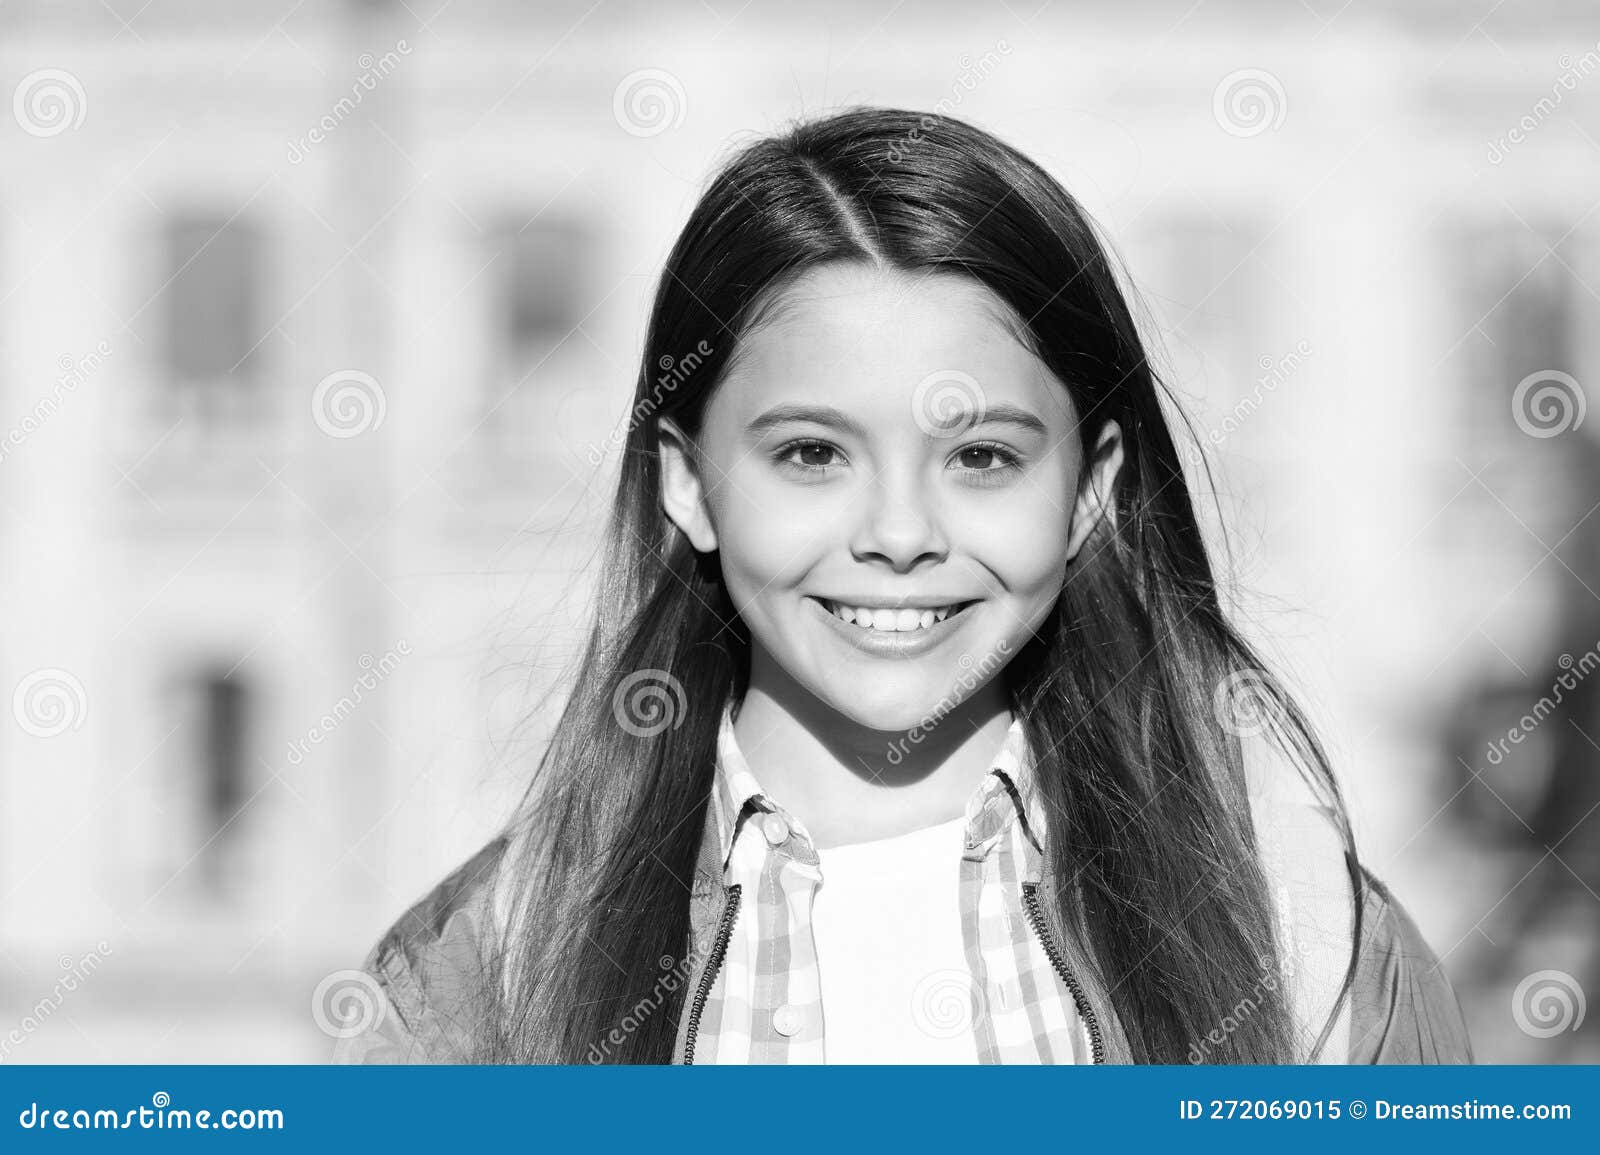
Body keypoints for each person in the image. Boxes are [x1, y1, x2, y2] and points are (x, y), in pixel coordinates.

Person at [334, 106, 1472, 1065]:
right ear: (688, 482)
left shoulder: (1309, 948)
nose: (897, 534)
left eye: (982, 457)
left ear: (1090, 490)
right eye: (811, 454)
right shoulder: (469, 996)